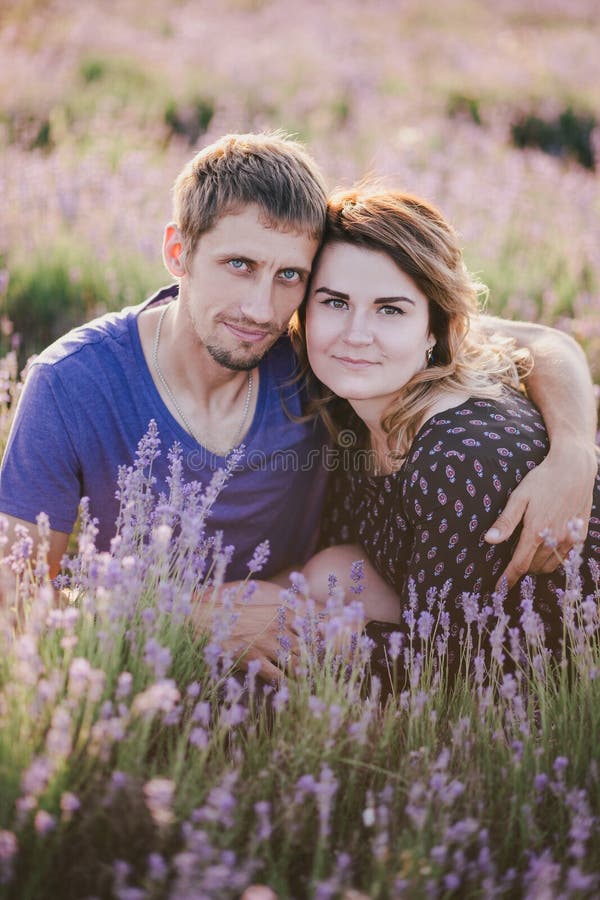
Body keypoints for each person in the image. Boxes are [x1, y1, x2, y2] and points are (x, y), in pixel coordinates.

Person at [0, 133, 597, 674]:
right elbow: (14, 602)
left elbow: (539, 341)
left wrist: (574, 451)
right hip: (158, 648)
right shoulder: (71, 383)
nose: (261, 309)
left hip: (311, 627)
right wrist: (178, 613)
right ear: (177, 251)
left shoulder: (316, 348)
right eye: (240, 265)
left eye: (290, 275)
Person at [289, 186, 600, 676]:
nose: (355, 334)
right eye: (334, 302)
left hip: (547, 676)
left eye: (390, 309)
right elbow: (544, 339)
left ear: (434, 328)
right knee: (329, 575)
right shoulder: (364, 393)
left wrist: (280, 628)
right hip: (471, 632)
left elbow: (449, 674)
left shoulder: (457, 456)